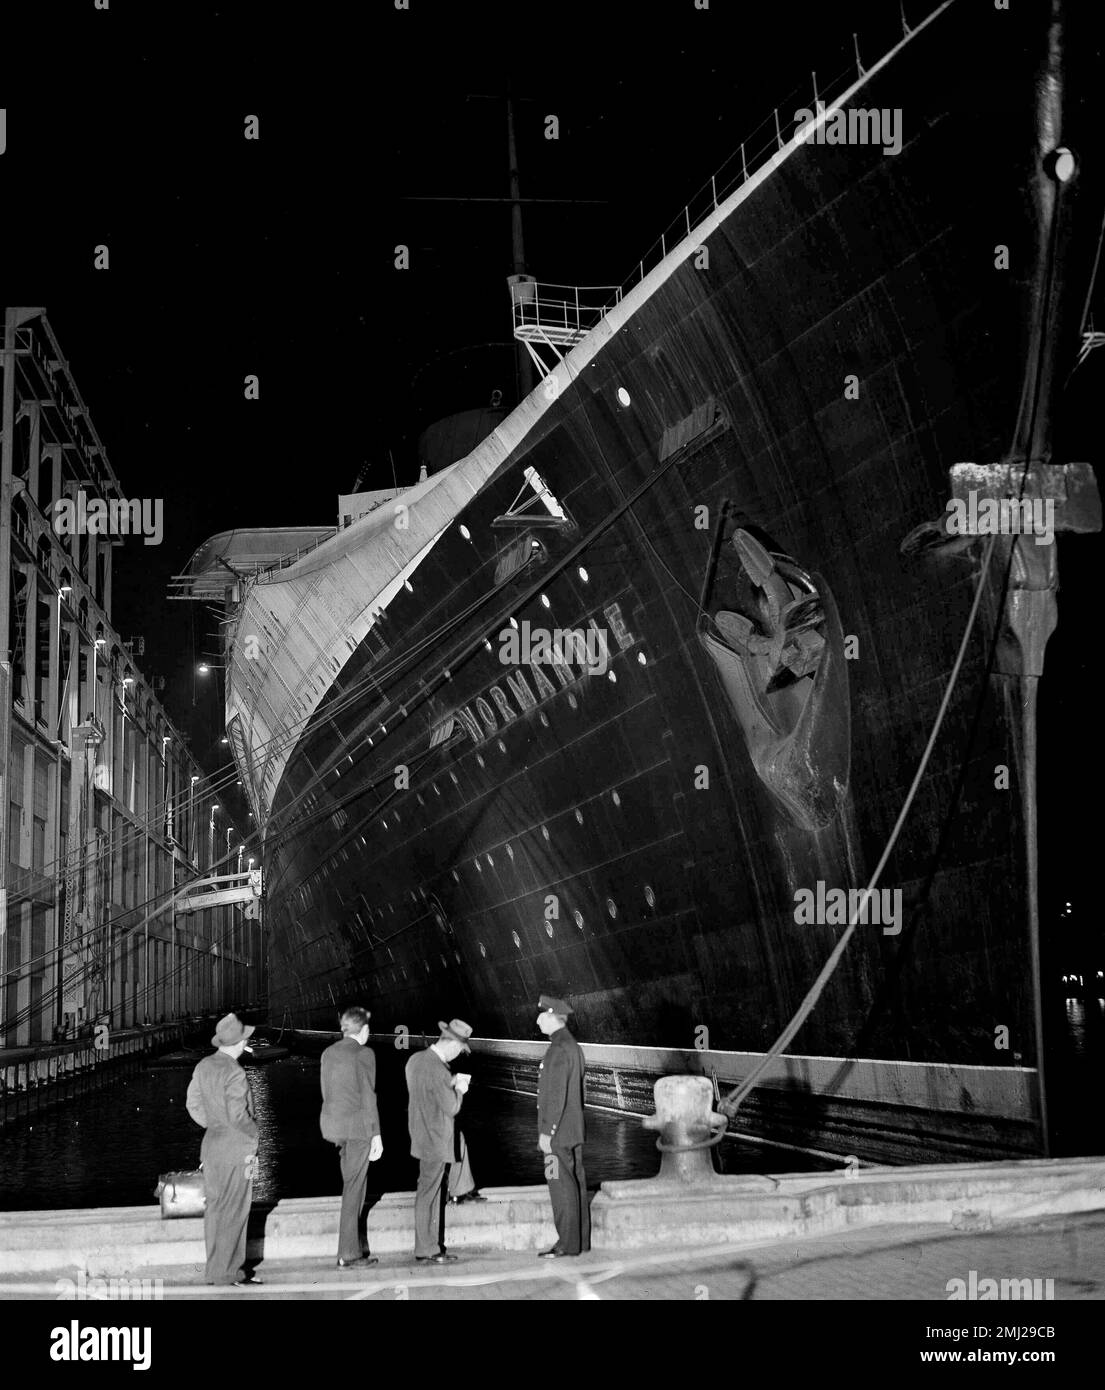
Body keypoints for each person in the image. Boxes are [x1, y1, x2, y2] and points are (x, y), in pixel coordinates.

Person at [185, 1013, 261, 1287]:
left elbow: (193, 1104)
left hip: (212, 1148)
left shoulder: (203, 1066)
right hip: (239, 1149)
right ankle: (231, 1273)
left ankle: (216, 1270)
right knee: (237, 1209)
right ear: (239, 1042)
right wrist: (256, 1134)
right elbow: (239, 1116)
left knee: (216, 1209)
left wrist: (214, 1125)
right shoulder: (235, 1072)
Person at [320, 1005, 384, 1269]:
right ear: (364, 1029)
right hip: (358, 1129)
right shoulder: (364, 1053)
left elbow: (327, 1091)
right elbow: (369, 1097)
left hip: (334, 1127)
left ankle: (350, 1249)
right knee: (354, 1188)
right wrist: (376, 1134)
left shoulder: (328, 1052)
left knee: (352, 1184)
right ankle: (349, 1253)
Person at [405, 1018, 472, 1263]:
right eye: (459, 1050)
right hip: (436, 1139)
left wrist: (448, 1083)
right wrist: (460, 1088)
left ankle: (427, 1246)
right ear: (452, 1044)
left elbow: (426, 1092)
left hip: (420, 1135)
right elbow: (452, 1107)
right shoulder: (439, 1068)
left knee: (427, 1191)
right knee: (429, 1194)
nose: (458, 1055)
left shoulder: (415, 1061)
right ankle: (427, 1249)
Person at [535, 994, 589, 1258]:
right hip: (573, 1131)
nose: (537, 1021)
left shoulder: (557, 1049)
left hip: (556, 1136)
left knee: (559, 1185)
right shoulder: (573, 1046)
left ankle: (566, 1244)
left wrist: (547, 1133)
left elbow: (555, 1097)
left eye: (541, 1016)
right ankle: (580, 1241)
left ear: (552, 1017)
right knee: (576, 1183)